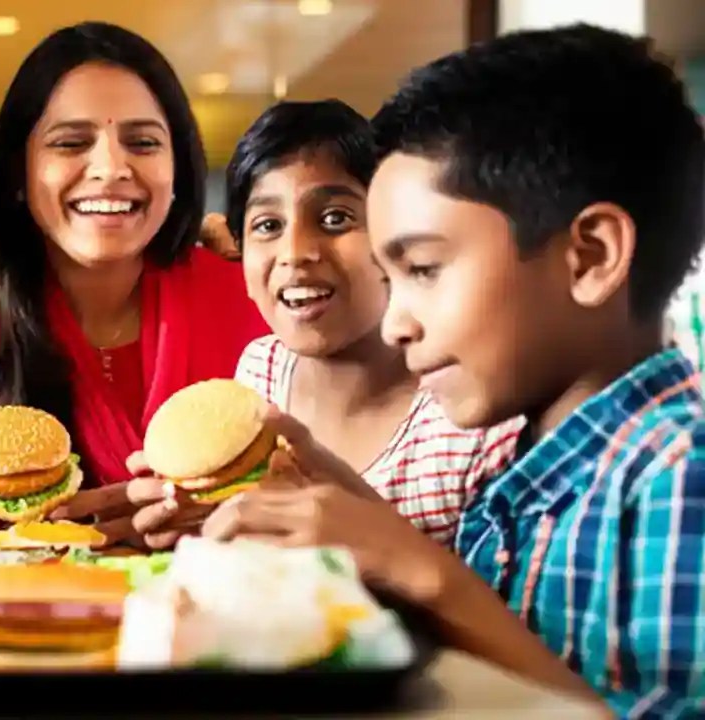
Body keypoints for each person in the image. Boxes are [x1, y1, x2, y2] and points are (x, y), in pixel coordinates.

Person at [204, 24, 705, 713]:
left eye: (424, 270)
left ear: (589, 256)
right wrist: (357, 518)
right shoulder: (531, 478)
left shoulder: (681, 479)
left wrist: (432, 577)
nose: (396, 321)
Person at [0, 22, 267, 538]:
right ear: (18, 171)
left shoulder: (247, 301)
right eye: (71, 142)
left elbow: (303, 492)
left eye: (143, 142)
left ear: (179, 170)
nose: (110, 167)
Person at [225, 99, 520, 545]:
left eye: (335, 218)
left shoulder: (465, 422)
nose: (295, 252)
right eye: (267, 225)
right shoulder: (259, 372)